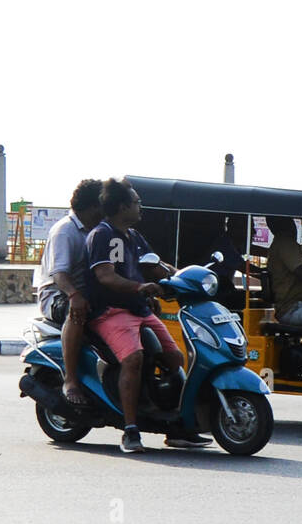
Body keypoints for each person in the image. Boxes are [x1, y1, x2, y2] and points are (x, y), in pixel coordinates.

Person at [85, 178, 210, 453]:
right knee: (133, 359)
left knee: (175, 357)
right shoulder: (103, 235)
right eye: (136, 202)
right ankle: (130, 430)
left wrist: (185, 278)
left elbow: (155, 265)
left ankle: (176, 426)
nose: (141, 207)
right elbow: (105, 275)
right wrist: (140, 287)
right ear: (121, 207)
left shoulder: (133, 236)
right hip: (111, 312)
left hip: (139, 309)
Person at [33, 179, 104, 406]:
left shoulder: (100, 230)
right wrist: (74, 296)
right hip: (57, 295)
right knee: (77, 312)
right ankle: (70, 379)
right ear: (93, 206)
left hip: (88, 292)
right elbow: (59, 275)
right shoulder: (66, 231)